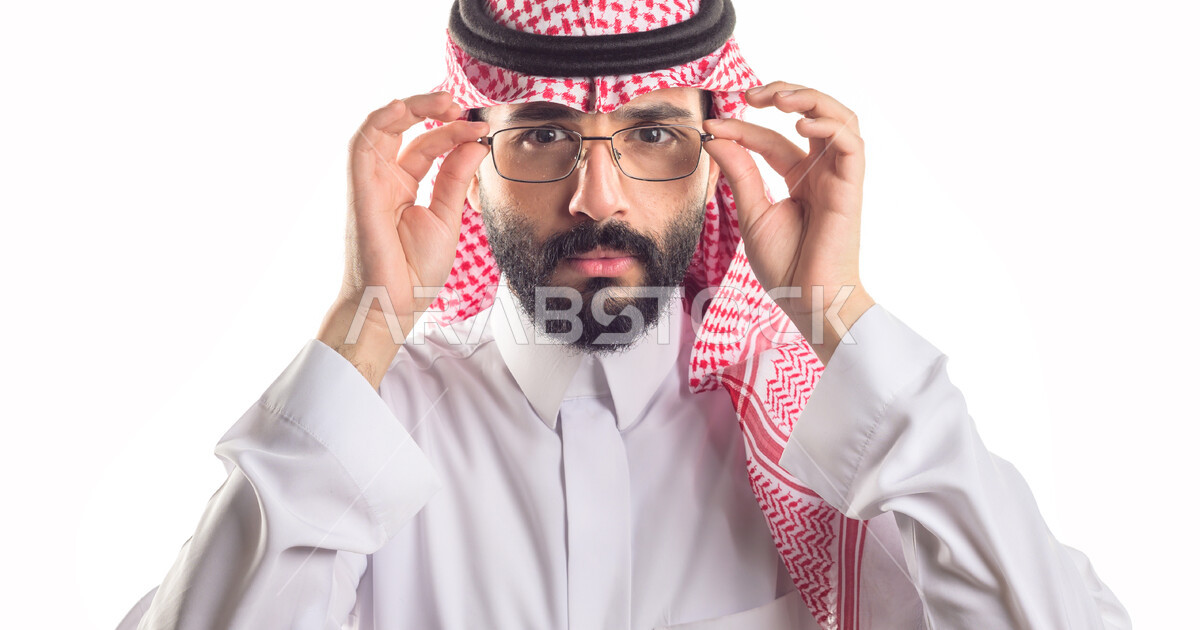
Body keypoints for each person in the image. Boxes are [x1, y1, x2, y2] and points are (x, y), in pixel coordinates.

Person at [118, 1, 1130, 628]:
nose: (598, 195)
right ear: (470, 167)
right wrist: (360, 329)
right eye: (545, 136)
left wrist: (839, 318)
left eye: (651, 135)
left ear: (717, 156)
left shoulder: (811, 447)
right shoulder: (369, 439)